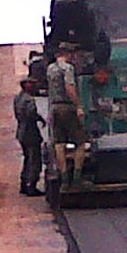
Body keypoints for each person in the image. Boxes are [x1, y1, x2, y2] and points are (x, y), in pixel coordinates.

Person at [46, 43, 85, 181]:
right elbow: (69, 88)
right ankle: (77, 176)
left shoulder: (50, 69)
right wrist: (79, 105)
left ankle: (63, 176)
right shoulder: (68, 68)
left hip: (55, 107)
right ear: (68, 54)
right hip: (67, 107)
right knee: (80, 142)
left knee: (59, 143)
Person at [13, 78, 45, 197]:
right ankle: (32, 185)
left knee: (27, 159)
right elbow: (31, 114)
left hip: (21, 131)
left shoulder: (17, 98)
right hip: (30, 132)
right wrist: (40, 118)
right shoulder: (29, 100)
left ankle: (24, 184)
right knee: (34, 160)